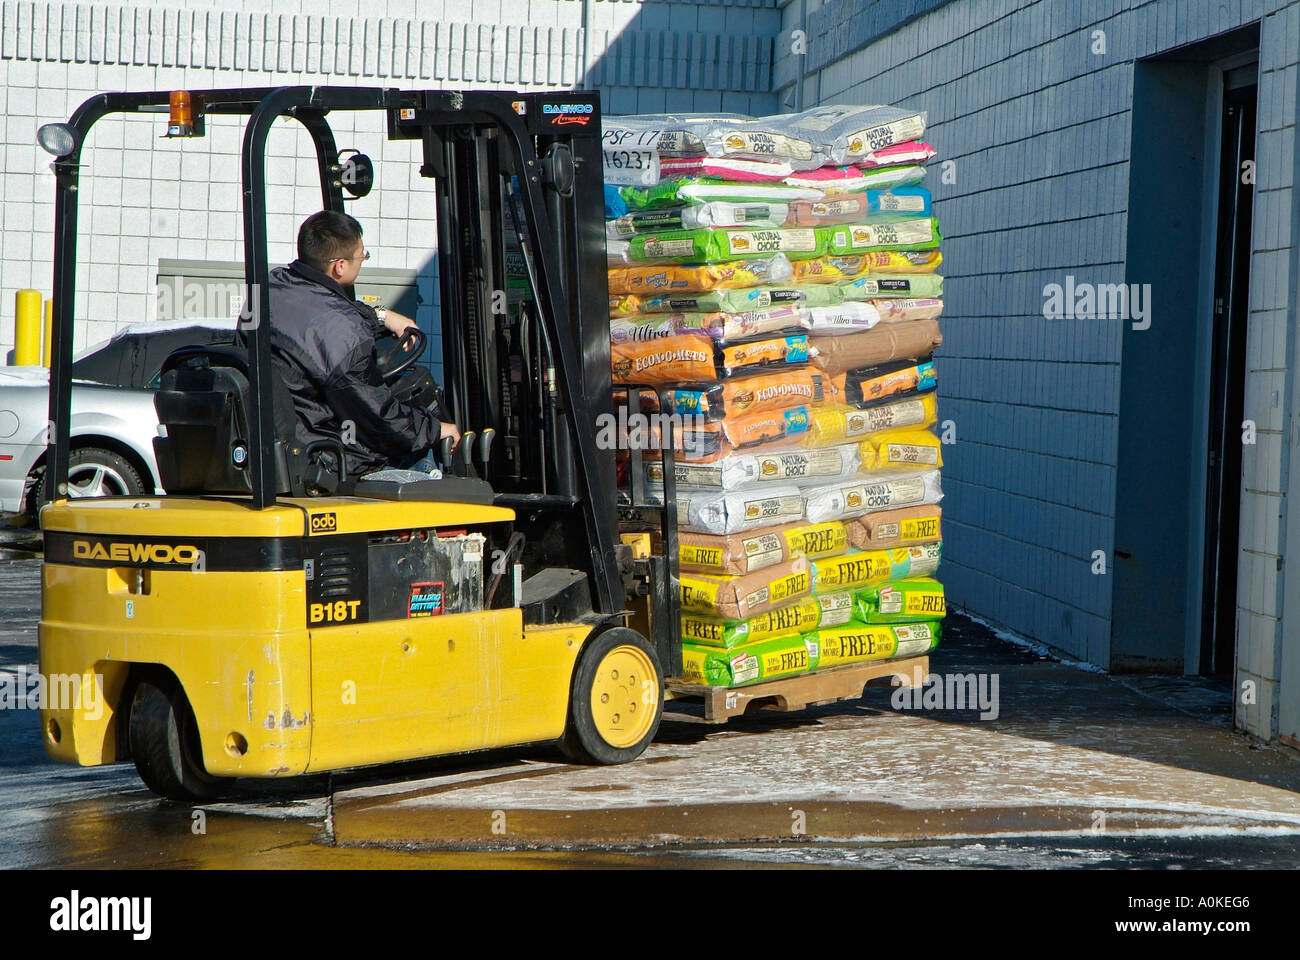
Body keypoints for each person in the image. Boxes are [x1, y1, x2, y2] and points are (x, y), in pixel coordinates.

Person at [262, 210, 458, 480]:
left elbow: (320, 315)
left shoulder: (274, 287)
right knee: (427, 450)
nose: (363, 261)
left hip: (286, 437)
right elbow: (376, 416)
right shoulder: (345, 334)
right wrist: (435, 429)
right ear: (340, 266)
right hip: (325, 455)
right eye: (362, 256)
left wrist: (383, 316)